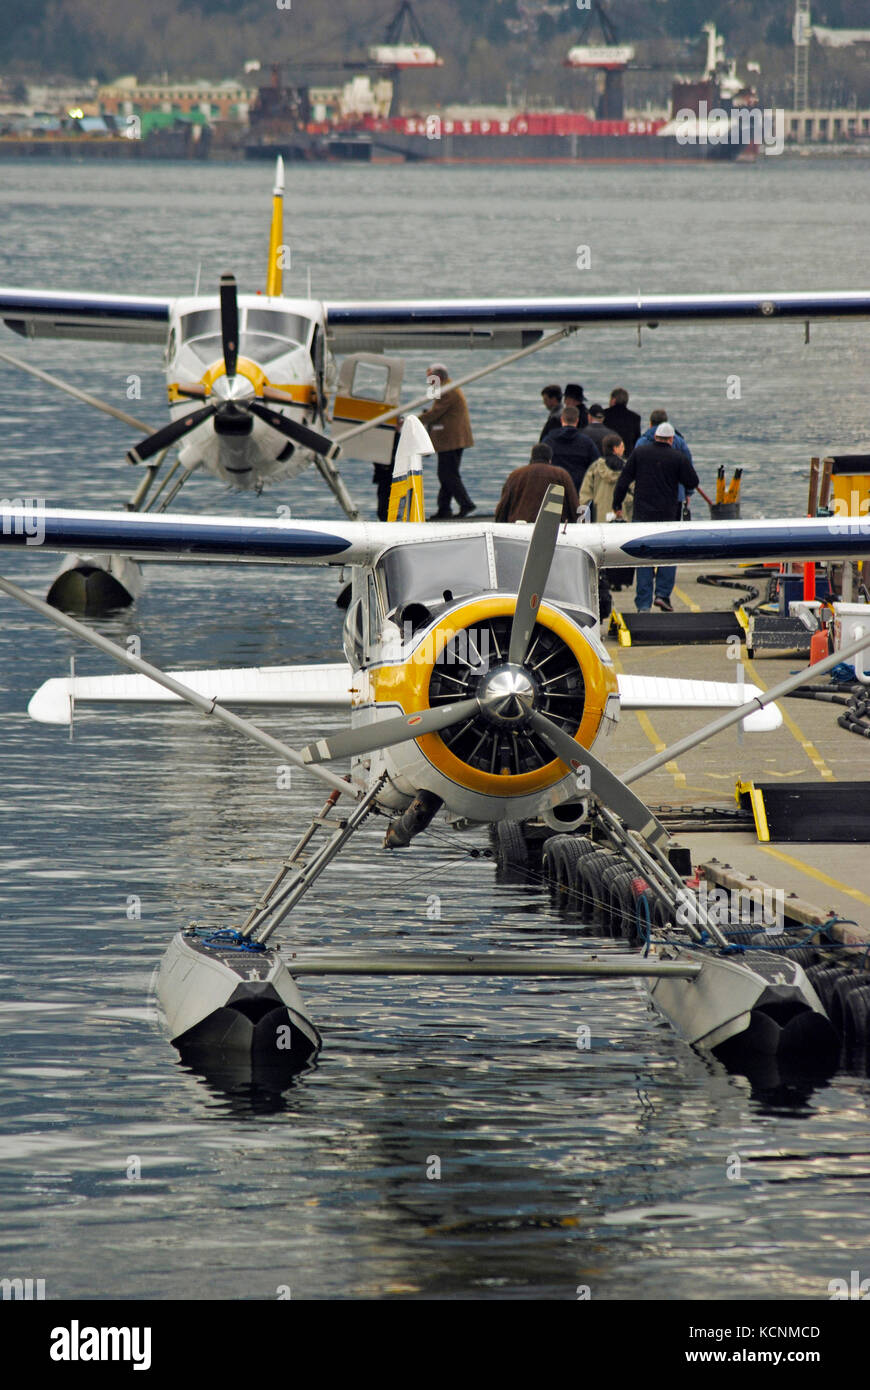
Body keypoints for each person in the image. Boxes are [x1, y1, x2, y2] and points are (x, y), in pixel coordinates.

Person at [612, 421, 699, 612]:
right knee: (668, 555)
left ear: (655, 437)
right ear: (671, 439)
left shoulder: (640, 453)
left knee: (643, 558)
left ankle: (643, 604)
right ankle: (662, 595)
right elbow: (693, 480)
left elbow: (623, 480)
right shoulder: (677, 457)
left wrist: (617, 505)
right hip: (668, 515)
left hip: (642, 515)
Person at [418, 363, 476, 520]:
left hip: (451, 440)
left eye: (430, 378)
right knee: (447, 474)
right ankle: (444, 509)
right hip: (453, 439)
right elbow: (434, 409)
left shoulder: (446, 391)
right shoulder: (445, 388)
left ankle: (466, 504)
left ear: (437, 378)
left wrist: (414, 420)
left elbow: (435, 413)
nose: (428, 382)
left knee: (447, 475)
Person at [495, 442, 579, 524]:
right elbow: (573, 506)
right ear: (550, 459)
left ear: (532, 458)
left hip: (520, 526)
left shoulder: (515, 475)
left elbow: (503, 508)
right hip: (553, 528)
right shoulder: (561, 475)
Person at [635, 409, 695, 516]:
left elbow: (634, 468)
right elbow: (688, 468)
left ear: (650, 424)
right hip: (676, 494)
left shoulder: (642, 442)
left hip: (647, 495)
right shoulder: (679, 441)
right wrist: (688, 493)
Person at [544, 404, 599, 489]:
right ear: (577, 420)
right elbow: (596, 466)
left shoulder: (549, 440)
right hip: (578, 488)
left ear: (562, 419)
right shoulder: (587, 443)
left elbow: (540, 462)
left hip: (554, 488)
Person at [578, 432, 626, 522]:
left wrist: (584, 517)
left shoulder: (595, 467)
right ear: (615, 449)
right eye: (622, 446)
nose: (624, 449)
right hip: (623, 513)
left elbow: (585, 495)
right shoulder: (627, 467)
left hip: (600, 514)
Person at [603, 386, 641, 453]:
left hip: (608, 453)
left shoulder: (605, 414)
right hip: (627, 453)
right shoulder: (635, 417)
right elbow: (636, 440)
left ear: (613, 400)